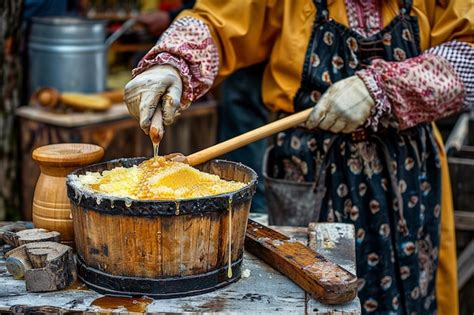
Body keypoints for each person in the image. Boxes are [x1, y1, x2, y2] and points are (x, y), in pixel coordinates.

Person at [123, 1, 473, 314]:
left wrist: (383, 88)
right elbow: (221, 21)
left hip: (406, 175)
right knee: (304, 286)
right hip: (307, 170)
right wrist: (172, 62)